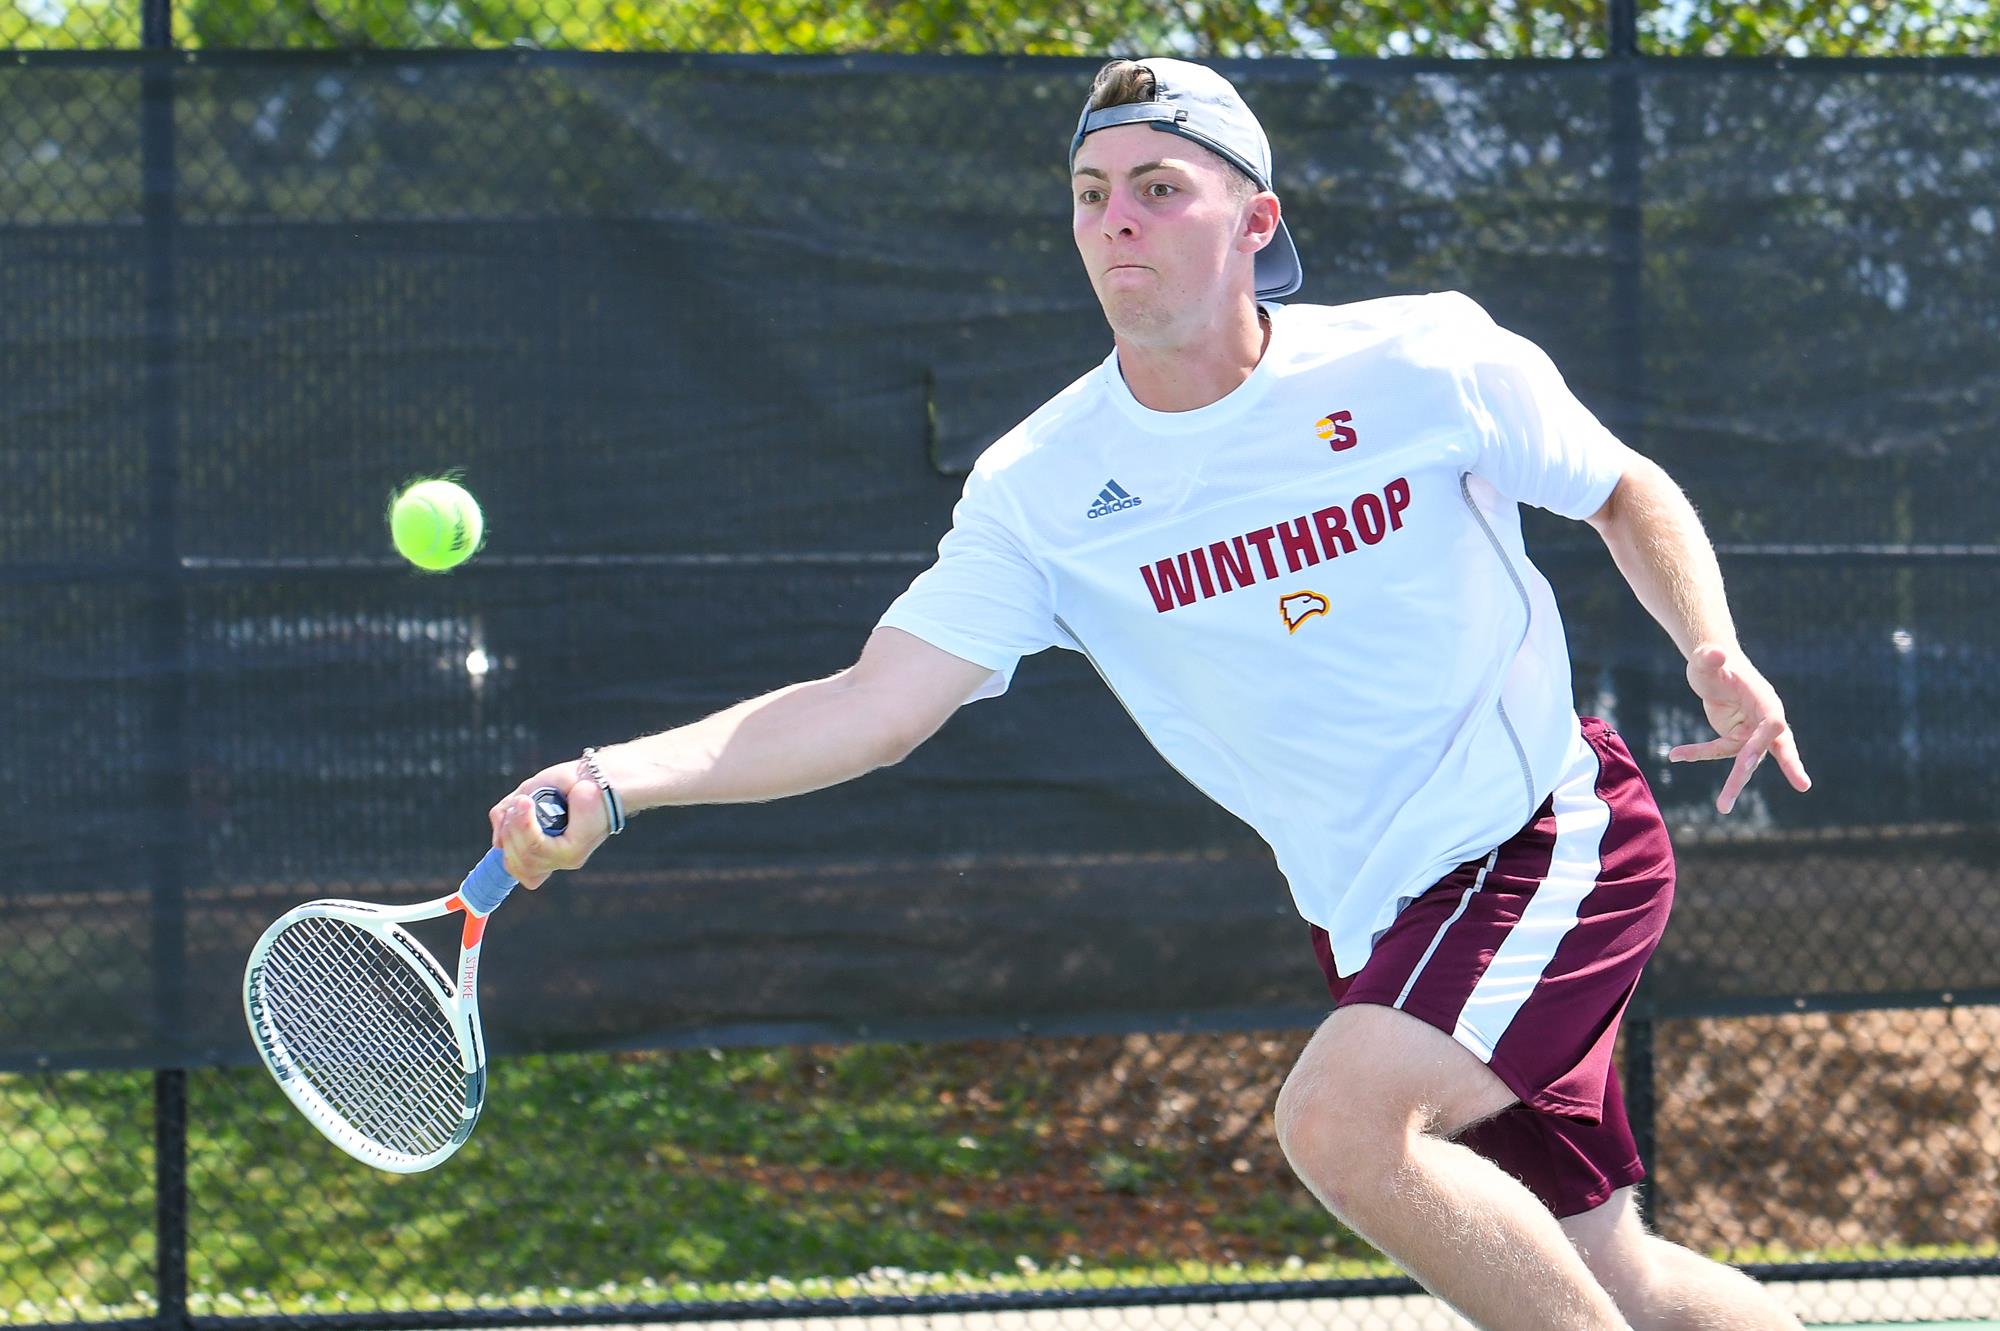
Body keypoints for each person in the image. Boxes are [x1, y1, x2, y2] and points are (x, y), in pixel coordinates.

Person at [492, 58, 1813, 1331]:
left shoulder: (1424, 359)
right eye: (1090, 192)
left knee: (1340, 1124)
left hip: (1545, 839)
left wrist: (1713, 647)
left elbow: (1625, 489)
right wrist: (620, 777)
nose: (1117, 216)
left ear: (1257, 220)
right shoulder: (1040, 490)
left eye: (1160, 185)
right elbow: (873, 702)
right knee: (1618, 1280)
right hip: (1375, 914)